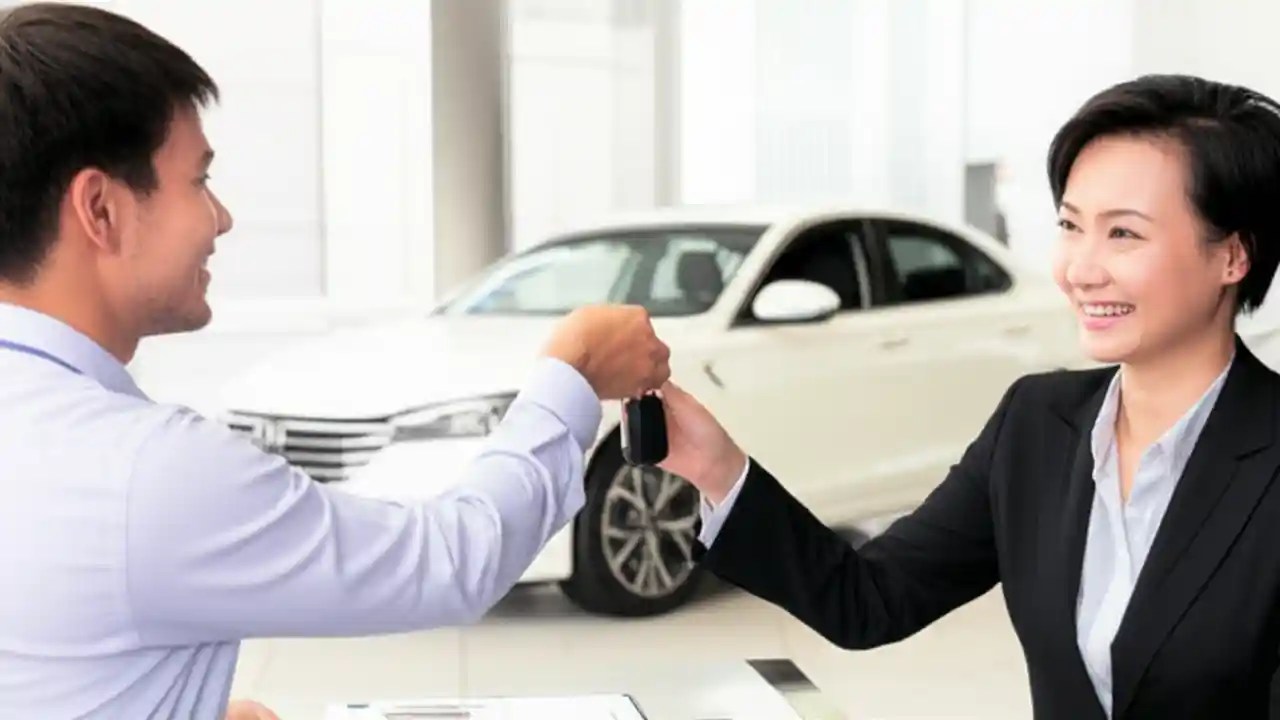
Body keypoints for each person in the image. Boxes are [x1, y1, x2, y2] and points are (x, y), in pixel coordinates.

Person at [0, 4, 670, 719]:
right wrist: (570, 379)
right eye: (198, 181)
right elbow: (448, 559)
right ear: (100, 210)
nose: (220, 218)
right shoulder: (140, 473)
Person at [658, 73, 1280, 719]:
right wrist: (718, 468)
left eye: (1123, 233)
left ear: (1232, 257)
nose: (1081, 269)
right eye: (1071, 226)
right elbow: (870, 600)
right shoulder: (1039, 424)